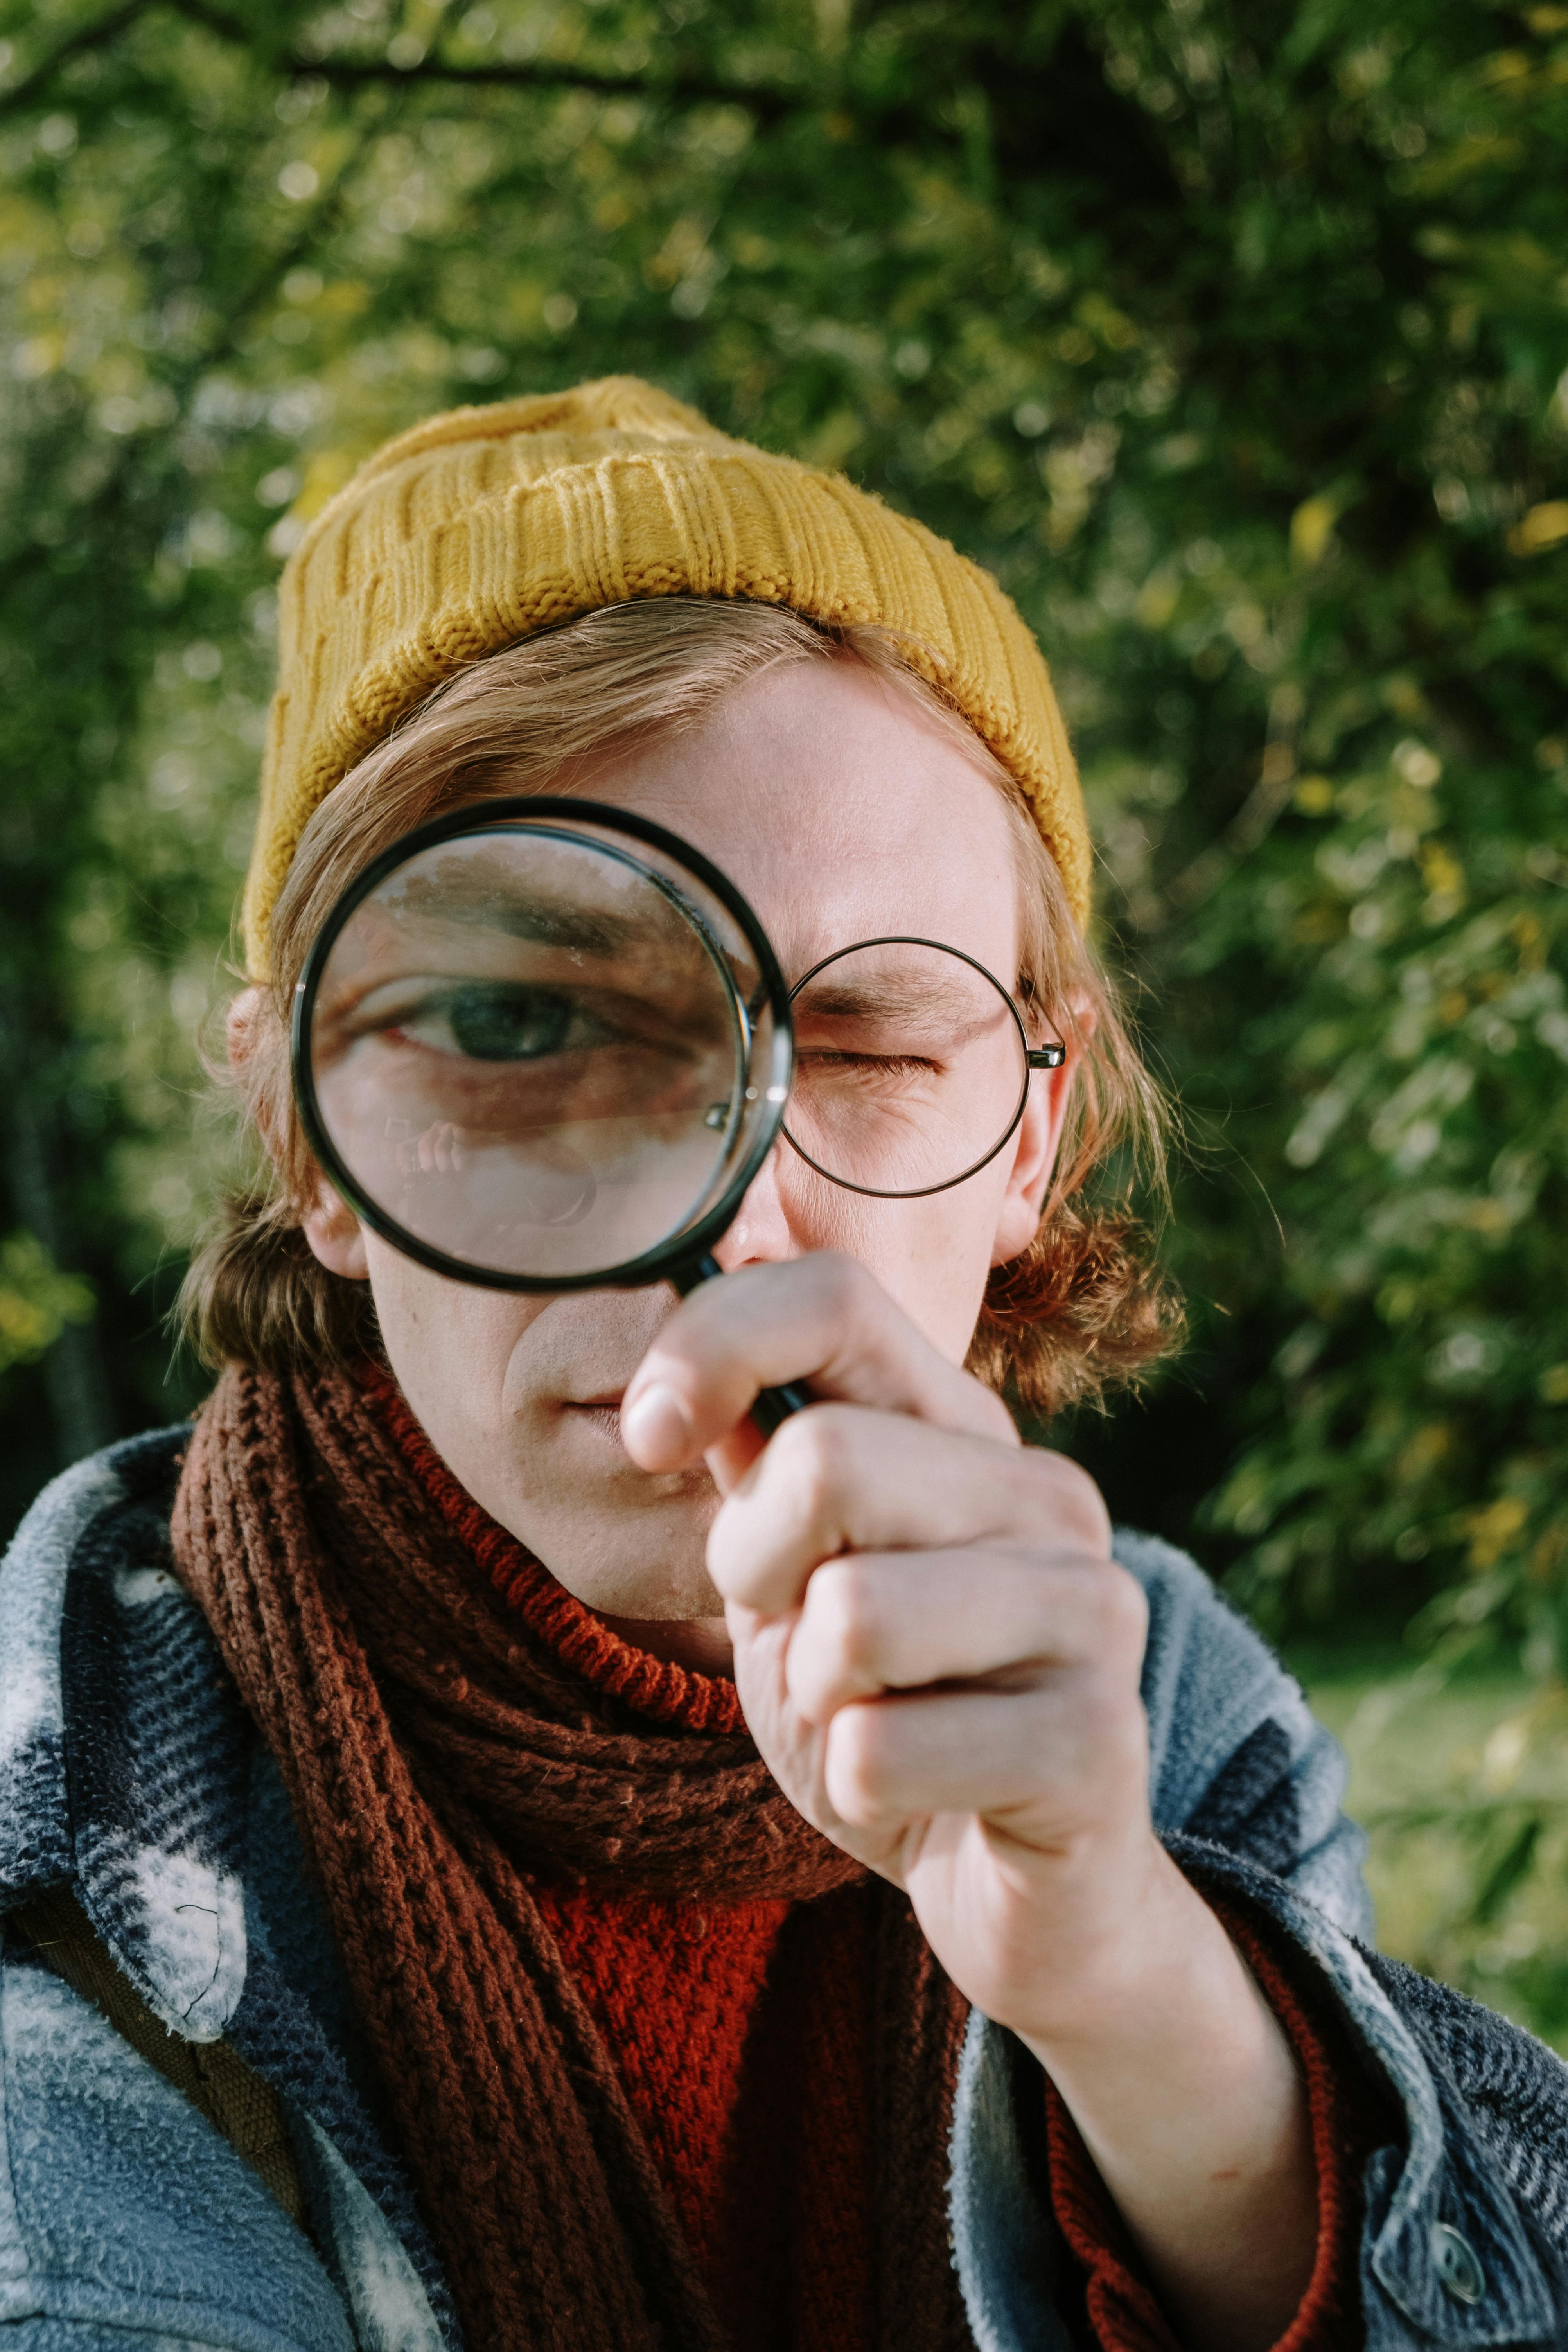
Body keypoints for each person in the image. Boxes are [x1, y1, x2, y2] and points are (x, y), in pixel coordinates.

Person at [2, 377, 1564, 2352]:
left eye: (865, 1042)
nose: (716, 1224)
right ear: (312, 1134)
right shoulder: (59, 1821)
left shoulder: (1161, 1721)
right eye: (515, 1023)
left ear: (1032, 1139)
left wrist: (1139, 1989)